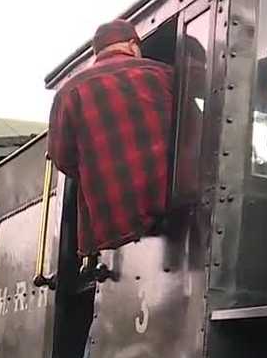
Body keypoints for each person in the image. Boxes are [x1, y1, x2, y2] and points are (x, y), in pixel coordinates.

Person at [48, 19, 176, 260]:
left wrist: (94, 171)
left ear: (98, 52)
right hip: (170, 212)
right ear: (132, 45)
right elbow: (195, 132)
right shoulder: (164, 75)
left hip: (110, 225)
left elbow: (62, 158)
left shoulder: (68, 93)